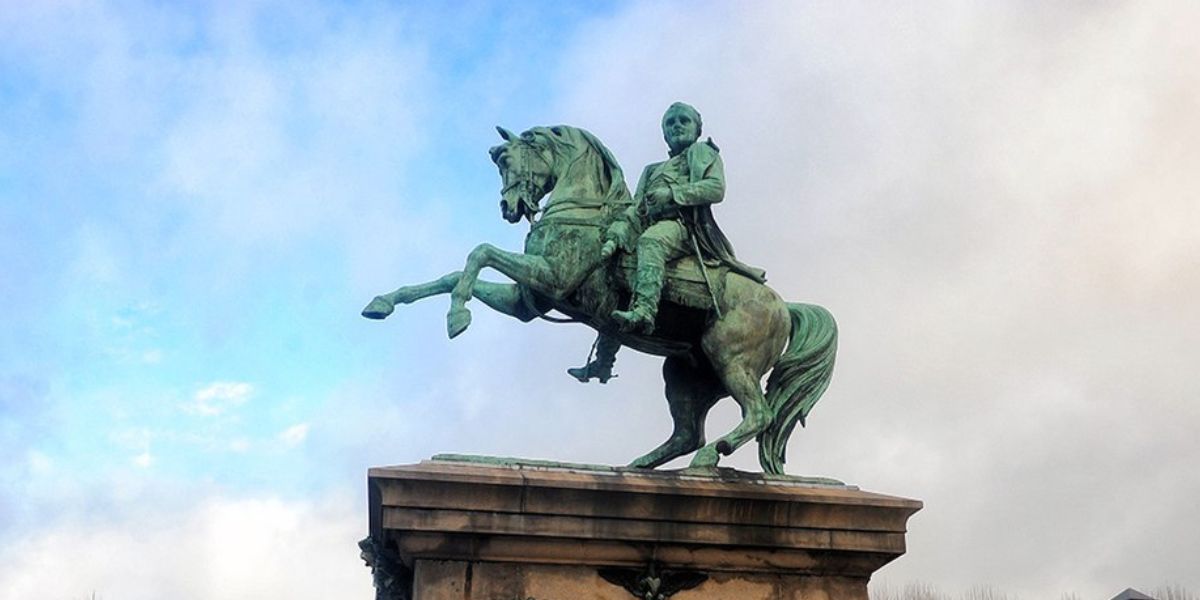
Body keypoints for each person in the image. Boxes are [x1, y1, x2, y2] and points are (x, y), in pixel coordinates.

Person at [567, 102, 765, 384]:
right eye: (670, 123)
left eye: (683, 120)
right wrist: (619, 231)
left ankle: (645, 311)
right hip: (649, 224)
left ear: (697, 128)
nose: (677, 126)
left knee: (652, 242)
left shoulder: (703, 153)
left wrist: (672, 194)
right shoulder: (651, 170)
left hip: (684, 228)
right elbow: (637, 208)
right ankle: (603, 362)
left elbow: (715, 188)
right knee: (612, 274)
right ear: (664, 134)